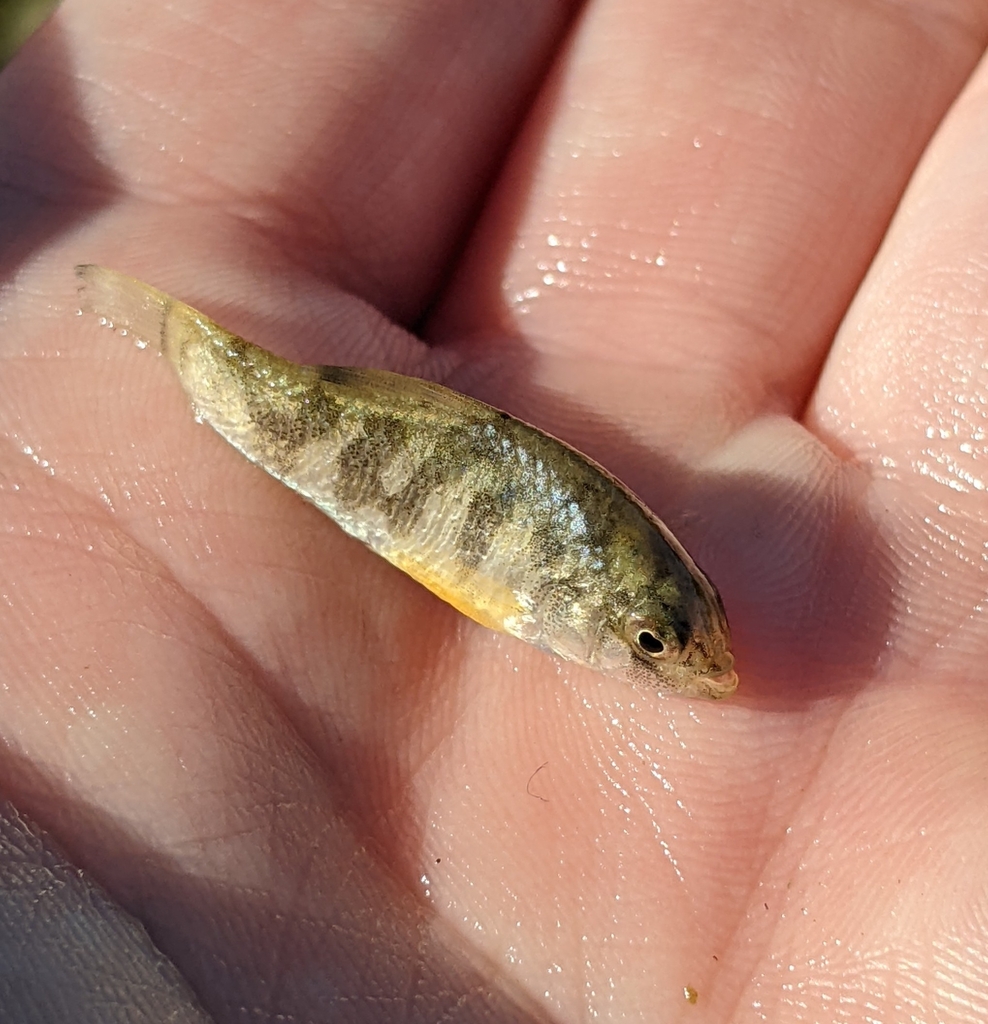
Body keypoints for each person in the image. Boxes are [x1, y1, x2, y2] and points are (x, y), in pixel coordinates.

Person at [1, 1, 986, 1020]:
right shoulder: (550, 586)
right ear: (587, 602)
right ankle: (181, 345)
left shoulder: (605, 575)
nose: (695, 672)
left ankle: (184, 343)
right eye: (652, 641)